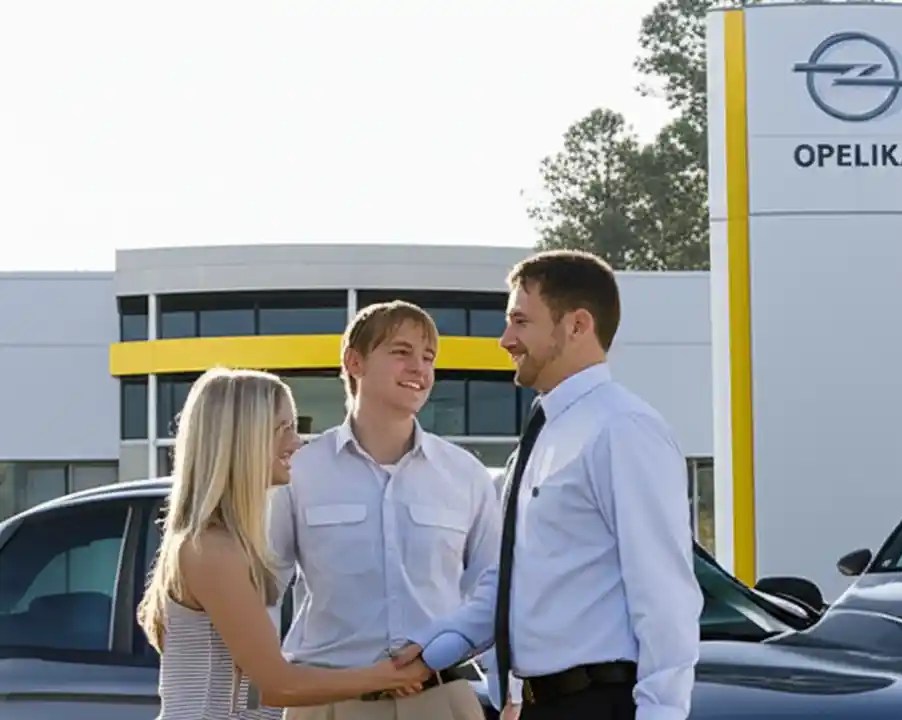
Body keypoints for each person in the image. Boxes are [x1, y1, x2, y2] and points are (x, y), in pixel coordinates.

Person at [398, 250, 703, 720]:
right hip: (542, 705)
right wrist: (442, 644)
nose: (505, 340)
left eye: (520, 321)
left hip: (599, 705)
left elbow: (665, 596)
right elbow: (512, 581)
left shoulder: (623, 429)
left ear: (578, 325)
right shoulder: (541, 437)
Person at [137, 368, 430, 720]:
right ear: (244, 437)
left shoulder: (228, 542)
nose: (297, 442)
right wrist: (390, 676)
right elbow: (277, 684)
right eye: (283, 428)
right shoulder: (212, 549)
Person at [268, 300, 501, 720]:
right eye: (401, 352)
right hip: (329, 705)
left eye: (428, 357)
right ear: (354, 362)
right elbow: (264, 591)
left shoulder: (466, 474)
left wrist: (503, 689)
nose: (419, 368)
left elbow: (494, 588)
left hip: (441, 700)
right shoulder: (299, 471)